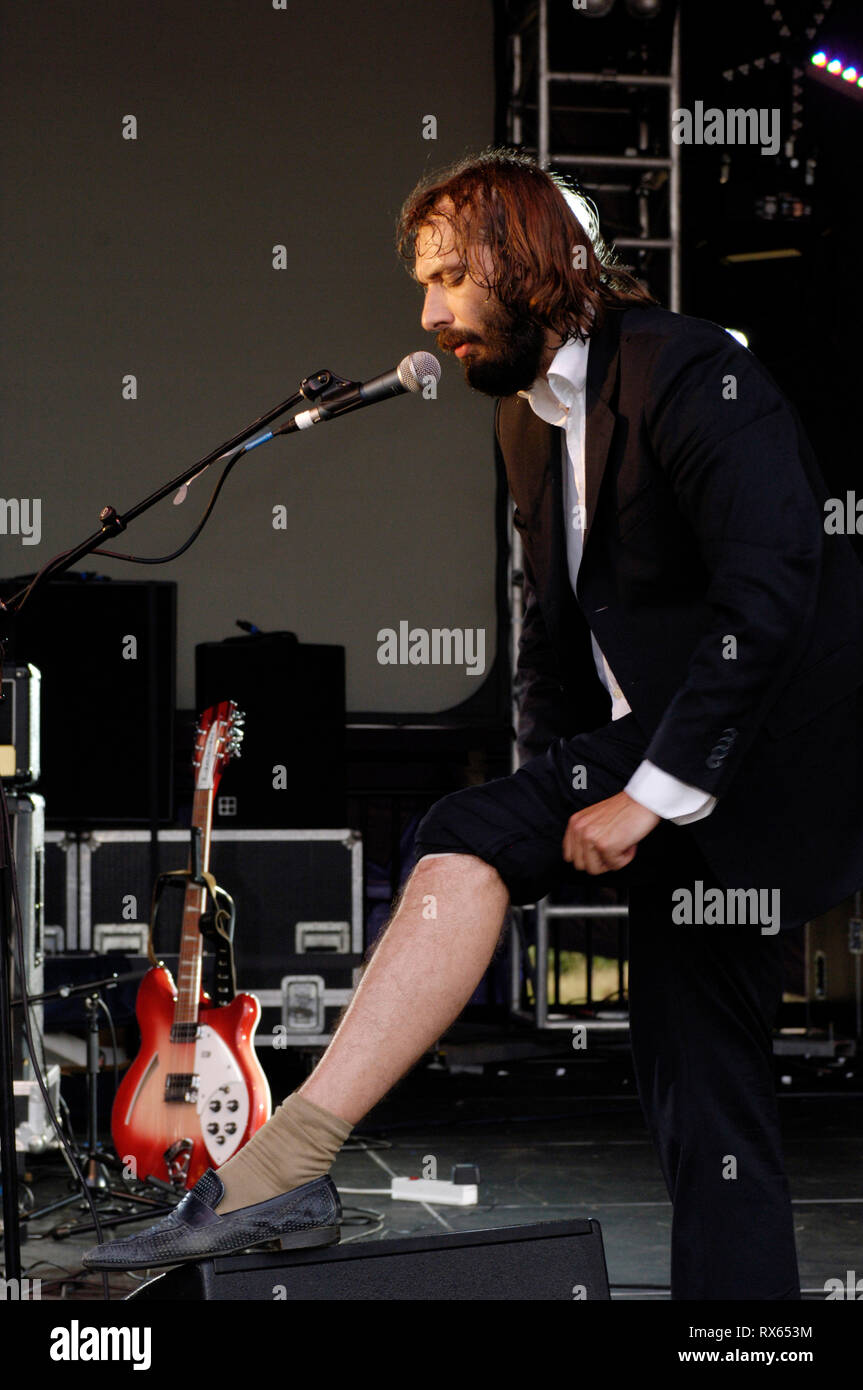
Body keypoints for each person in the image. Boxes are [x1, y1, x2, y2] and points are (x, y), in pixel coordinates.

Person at [84, 149, 863, 1300]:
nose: (428, 310)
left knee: (463, 831)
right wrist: (554, 794)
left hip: (756, 753)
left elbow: (773, 584)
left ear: (529, 259)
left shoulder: (689, 372)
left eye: (449, 274)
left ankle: (283, 1165)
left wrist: (645, 793)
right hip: (662, 765)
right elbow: (555, 634)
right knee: (706, 1101)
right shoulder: (525, 427)